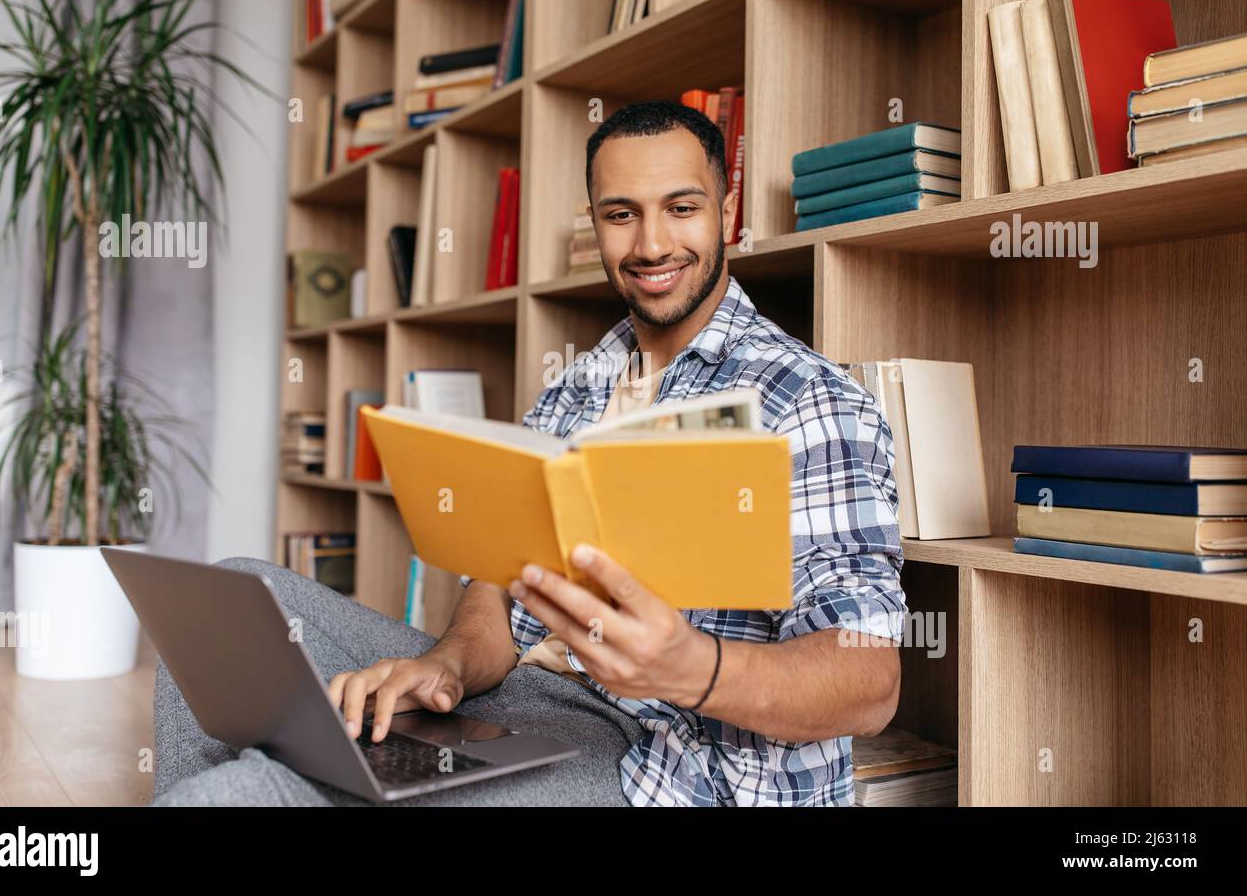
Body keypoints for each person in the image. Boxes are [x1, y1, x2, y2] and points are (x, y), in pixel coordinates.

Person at [153, 100, 907, 807]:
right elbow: (498, 582)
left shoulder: (811, 401)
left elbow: (869, 680)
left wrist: (691, 668)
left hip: (655, 751)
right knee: (230, 599)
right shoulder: (577, 386)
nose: (650, 244)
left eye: (682, 208)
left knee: (258, 788)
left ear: (727, 214)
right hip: (513, 696)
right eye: (622, 215)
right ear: (596, 224)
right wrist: (447, 664)